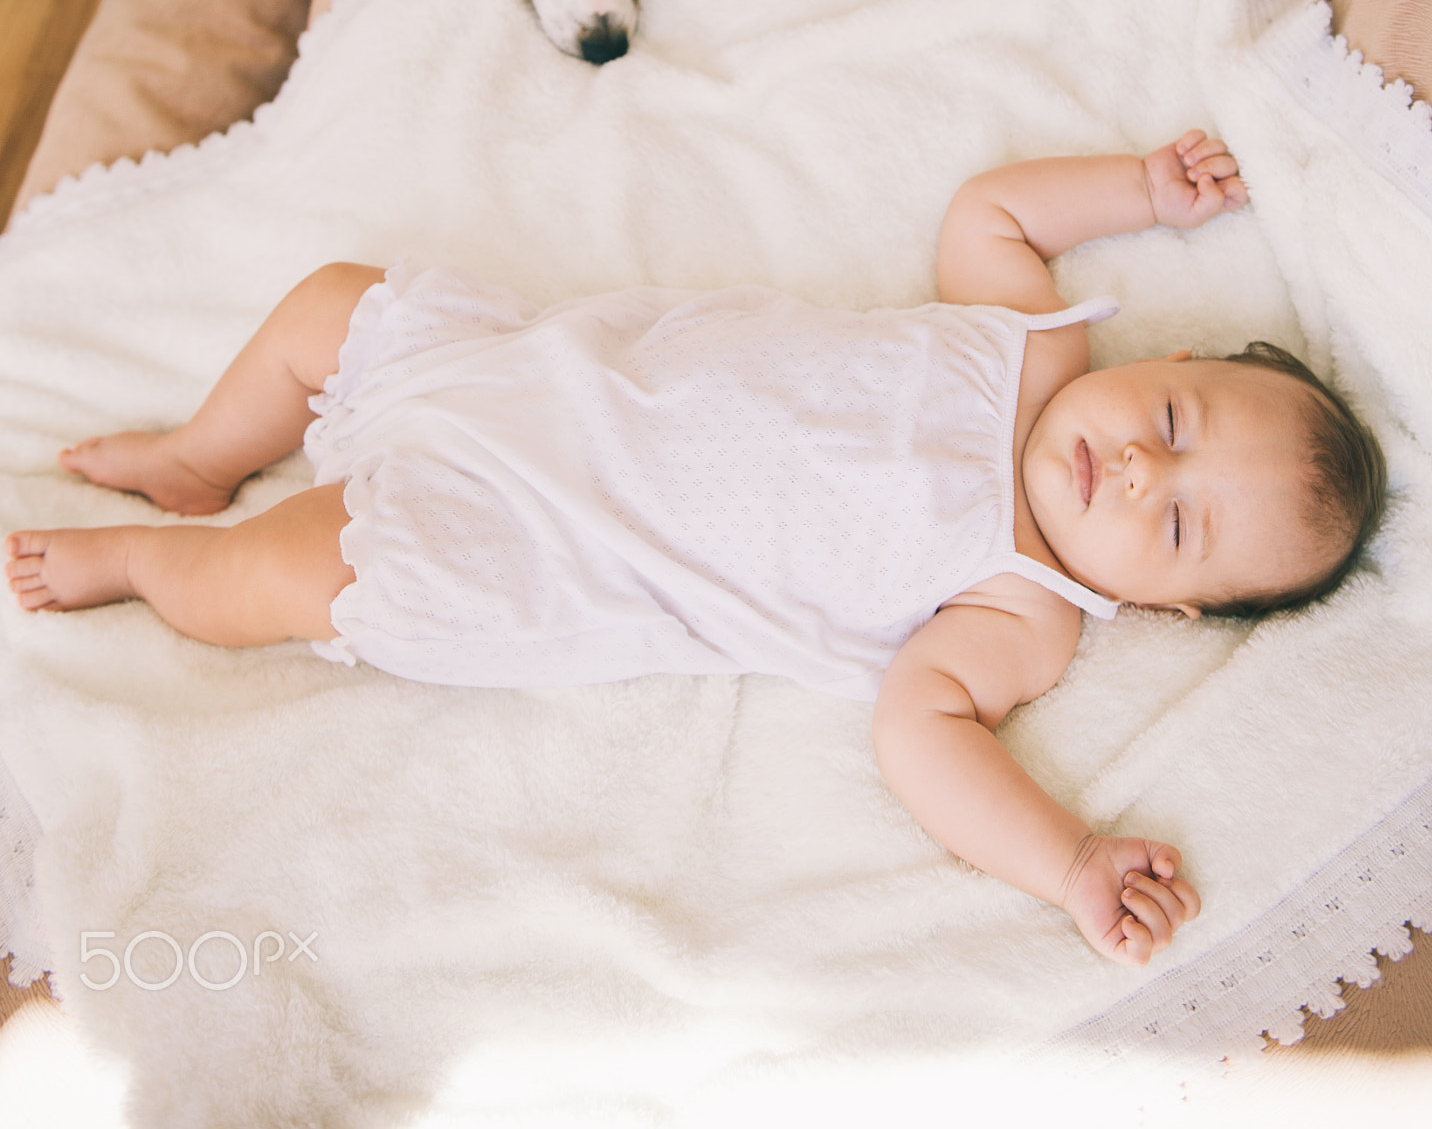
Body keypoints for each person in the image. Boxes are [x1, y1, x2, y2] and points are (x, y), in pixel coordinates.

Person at [4, 132, 1385, 966]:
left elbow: (924, 737)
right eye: (1178, 419)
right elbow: (993, 210)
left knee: (275, 576)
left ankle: (141, 564)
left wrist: (1069, 862)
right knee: (330, 308)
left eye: (1179, 524)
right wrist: (1142, 186)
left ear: (1172, 609)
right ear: (1176, 355)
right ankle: (199, 454)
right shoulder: (1032, 336)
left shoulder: (1022, 607)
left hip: (531, 542)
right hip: (527, 374)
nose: (1142, 468)